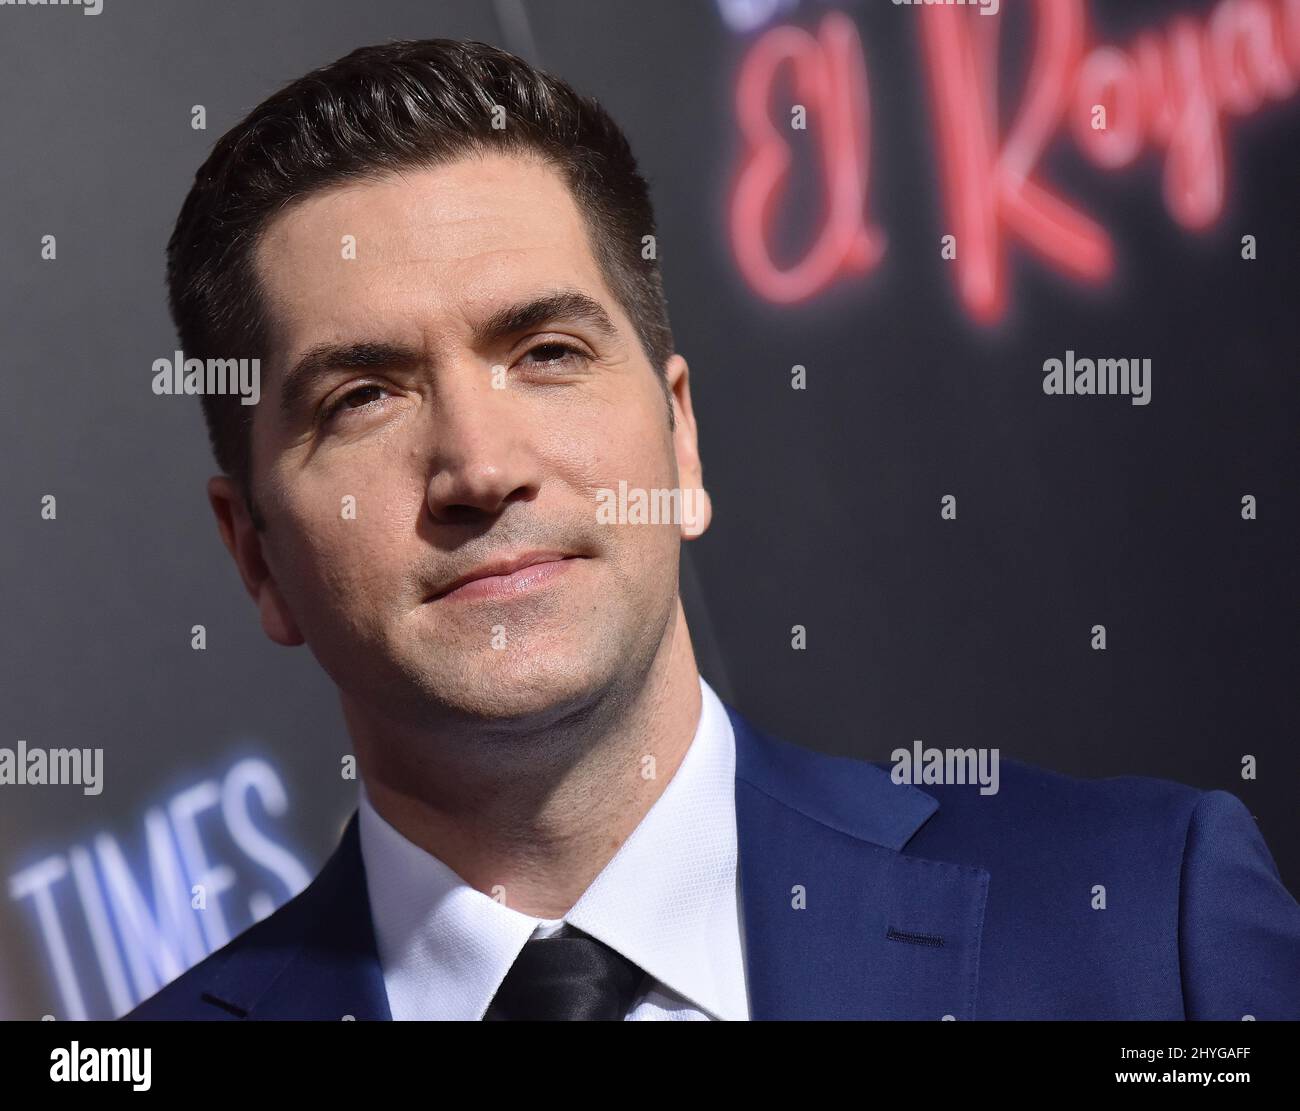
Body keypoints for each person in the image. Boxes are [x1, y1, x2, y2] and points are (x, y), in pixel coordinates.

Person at [123, 38, 1300, 1021]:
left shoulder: (1148, 924)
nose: (479, 467)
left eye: (546, 354)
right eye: (362, 396)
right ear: (256, 555)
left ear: (680, 440)